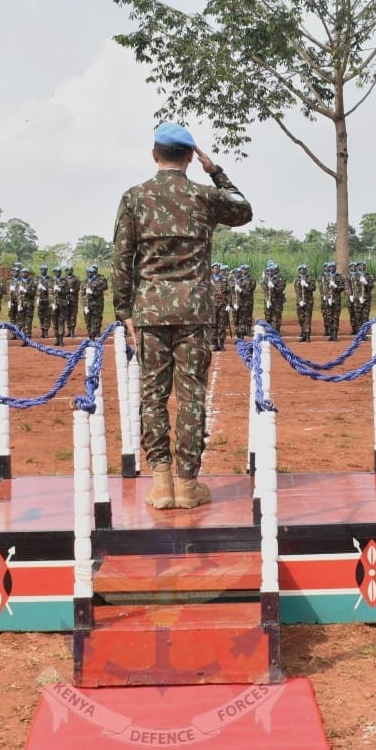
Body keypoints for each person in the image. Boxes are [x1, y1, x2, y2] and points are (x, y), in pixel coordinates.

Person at [112, 122, 252, 510]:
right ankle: (188, 484)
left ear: (154, 155)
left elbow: (122, 259)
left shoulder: (135, 197)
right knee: (191, 395)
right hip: (194, 310)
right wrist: (216, 171)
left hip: (150, 310)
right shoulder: (204, 196)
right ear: (191, 156)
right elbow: (243, 209)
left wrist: (124, 311)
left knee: (153, 395)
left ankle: (160, 483)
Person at [294, 263, 316, 342]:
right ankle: (303, 333)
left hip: (308, 302)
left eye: (304, 269)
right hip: (300, 303)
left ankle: (307, 335)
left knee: (307, 318)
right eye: (301, 269)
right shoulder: (297, 280)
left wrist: (307, 285)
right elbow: (297, 292)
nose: (302, 271)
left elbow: (313, 288)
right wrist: (300, 301)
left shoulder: (310, 279)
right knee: (301, 319)